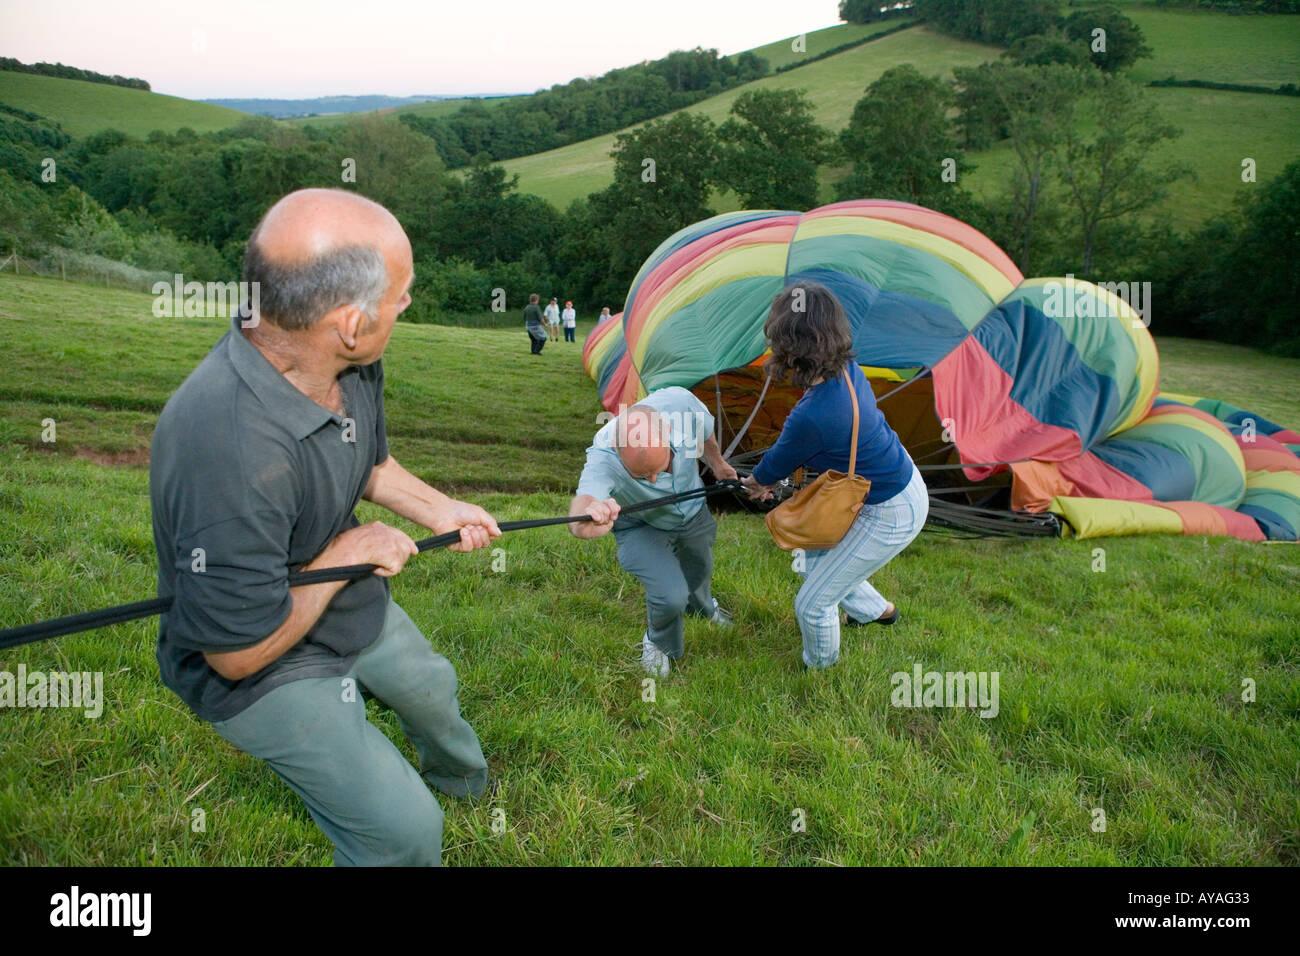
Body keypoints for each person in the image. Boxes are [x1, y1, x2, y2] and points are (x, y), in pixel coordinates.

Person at [149, 188, 502, 866]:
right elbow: (235, 654)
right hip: (254, 664)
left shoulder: (348, 363)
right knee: (403, 834)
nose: (406, 303)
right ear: (351, 321)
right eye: (401, 293)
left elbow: (367, 460)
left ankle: (462, 783)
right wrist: (345, 553)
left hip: (338, 587)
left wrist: (440, 510)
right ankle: (408, 819)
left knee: (432, 687)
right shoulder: (225, 446)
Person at [741, 283, 928, 670]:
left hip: (891, 510)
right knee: (815, 563)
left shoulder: (815, 415)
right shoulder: (844, 368)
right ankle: (878, 611)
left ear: (792, 345)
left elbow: (775, 465)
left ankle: (819, 672)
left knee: (812, 604)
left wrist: (756, 483)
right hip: (895, 484)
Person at [569, 390, 739, 676]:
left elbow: (705, 431)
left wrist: (718, 464)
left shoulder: (681, 405)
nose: (652, 480)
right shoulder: (604, 454)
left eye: (659, 469)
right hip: (639, 523)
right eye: (641, 475)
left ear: (669, 431)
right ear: (619, 452)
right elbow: (581, 507)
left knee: (700, 567)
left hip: (692, 510)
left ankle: (703, 607)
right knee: (670, 594)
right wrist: (588, 519)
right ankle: (659, 643)